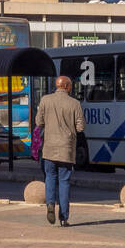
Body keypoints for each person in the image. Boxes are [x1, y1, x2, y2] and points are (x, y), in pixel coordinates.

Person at [35, 75, 85, 227]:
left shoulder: (45, 100)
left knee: (50, 177)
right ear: (68, 86)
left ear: (57, 86)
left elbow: (39, 122)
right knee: (64, 182)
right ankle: (63, 217)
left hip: (49, 147)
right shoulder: (75, 103)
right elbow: (80, 127)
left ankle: (50, 203)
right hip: (66, 149)